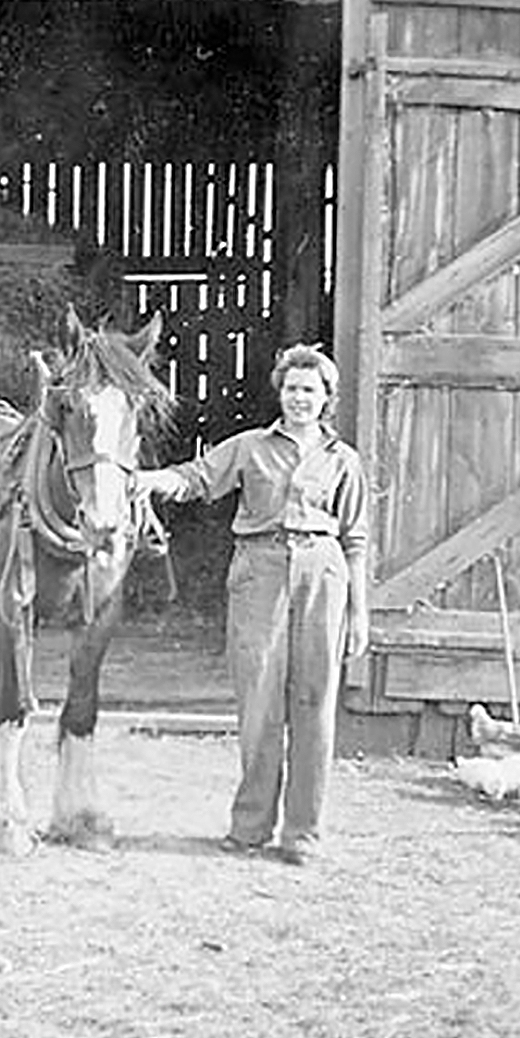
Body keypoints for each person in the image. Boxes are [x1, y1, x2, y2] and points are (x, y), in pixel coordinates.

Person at [138, 344, 369, 865]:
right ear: (279, 393)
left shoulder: (343, 461)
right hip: (259, 572)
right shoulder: (250, 447)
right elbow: (197, 477)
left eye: (310, 390)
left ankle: (303, 835)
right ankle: (249, 828)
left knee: (313, 705)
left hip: (322, 574)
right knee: (259, 702)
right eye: (291, 389)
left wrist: (359, 612)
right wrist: (152, 481)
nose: (300, 399)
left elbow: (355, 538)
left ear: (327, 398)